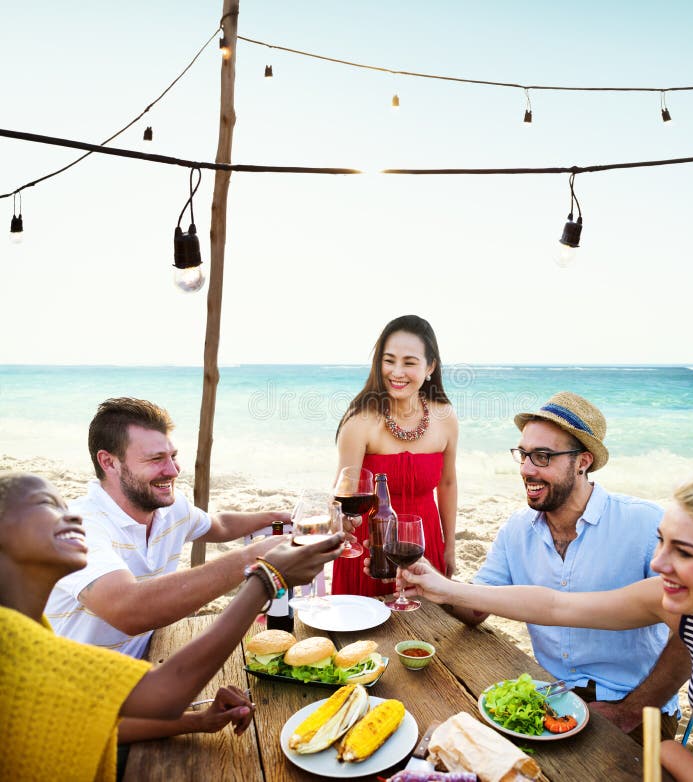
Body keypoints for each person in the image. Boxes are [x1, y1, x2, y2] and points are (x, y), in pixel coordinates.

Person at [399, 470, 693, 782]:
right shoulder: (688, 610)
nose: (659, 563)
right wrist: (445, 588)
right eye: (662, 542)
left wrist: (669, 753)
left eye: (685, 552)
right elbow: (556, 605)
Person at [0, 471, 344, 782]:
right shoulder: (11, 643)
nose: (72, 515)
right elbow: (166, 691)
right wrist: (266, 578)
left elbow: (80, 722)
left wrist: (196, 721)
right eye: (48, 504)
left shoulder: (32, 628)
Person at [407, 391, 688, 741]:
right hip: (552, 695)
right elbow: (475, 608)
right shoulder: (516, 530)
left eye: (542, 457)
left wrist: (632, 710)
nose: (526, 469)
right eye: (523, 455)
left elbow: (692, 633)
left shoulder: (645, 524)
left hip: (639, 703)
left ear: (582, 462)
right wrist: (432, 583)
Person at [45, 397, 291, 660]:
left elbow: (219, 525)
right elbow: (128, 610)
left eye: (173, 456)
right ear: (109, 462)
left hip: (142, 669)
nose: (173, 471)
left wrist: (275, 517)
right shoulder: (76, 527)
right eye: (156, 459)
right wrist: (258, 558)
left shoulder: (169, 508)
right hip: (70, 688)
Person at [332, 315, 458, 598]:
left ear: (430, 367)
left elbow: (448, 484)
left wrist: (449, 545)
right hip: (370, 550)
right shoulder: (360, 421)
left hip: (424, 544)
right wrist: (340, 523)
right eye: (389, 361)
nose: (396, 372)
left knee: (426, 635)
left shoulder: (445, 417)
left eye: (409, 362)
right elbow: (342, 493)